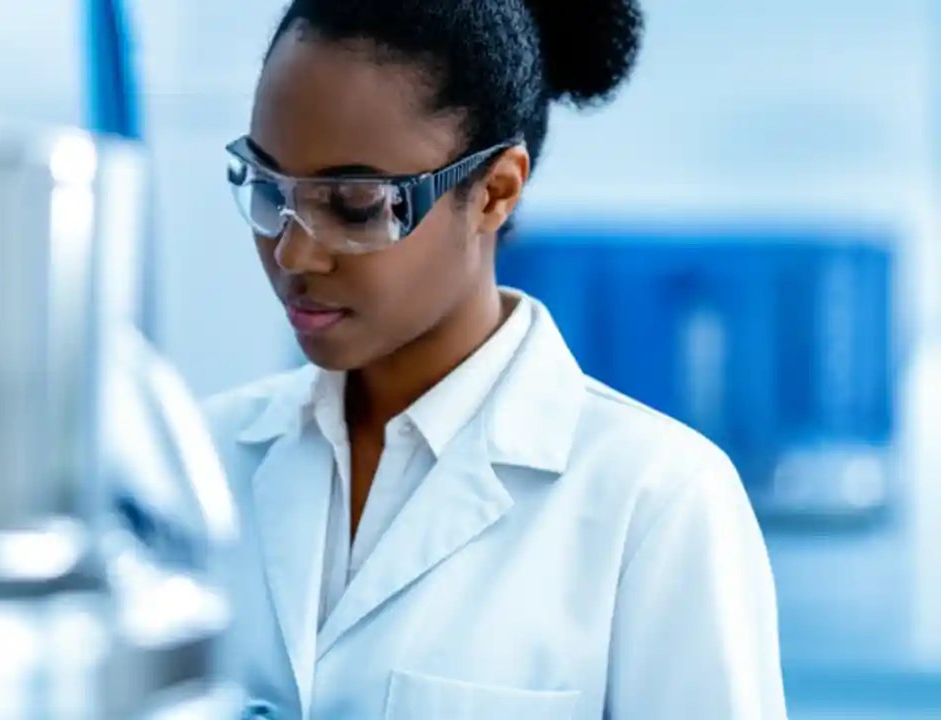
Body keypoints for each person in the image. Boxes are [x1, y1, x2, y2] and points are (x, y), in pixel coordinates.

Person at [203, 0, 787, 717]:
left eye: (355, 206)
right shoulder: (199, 462)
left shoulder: (655, 501)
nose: (294, 252)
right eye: (267, 189)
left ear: (495, 192)